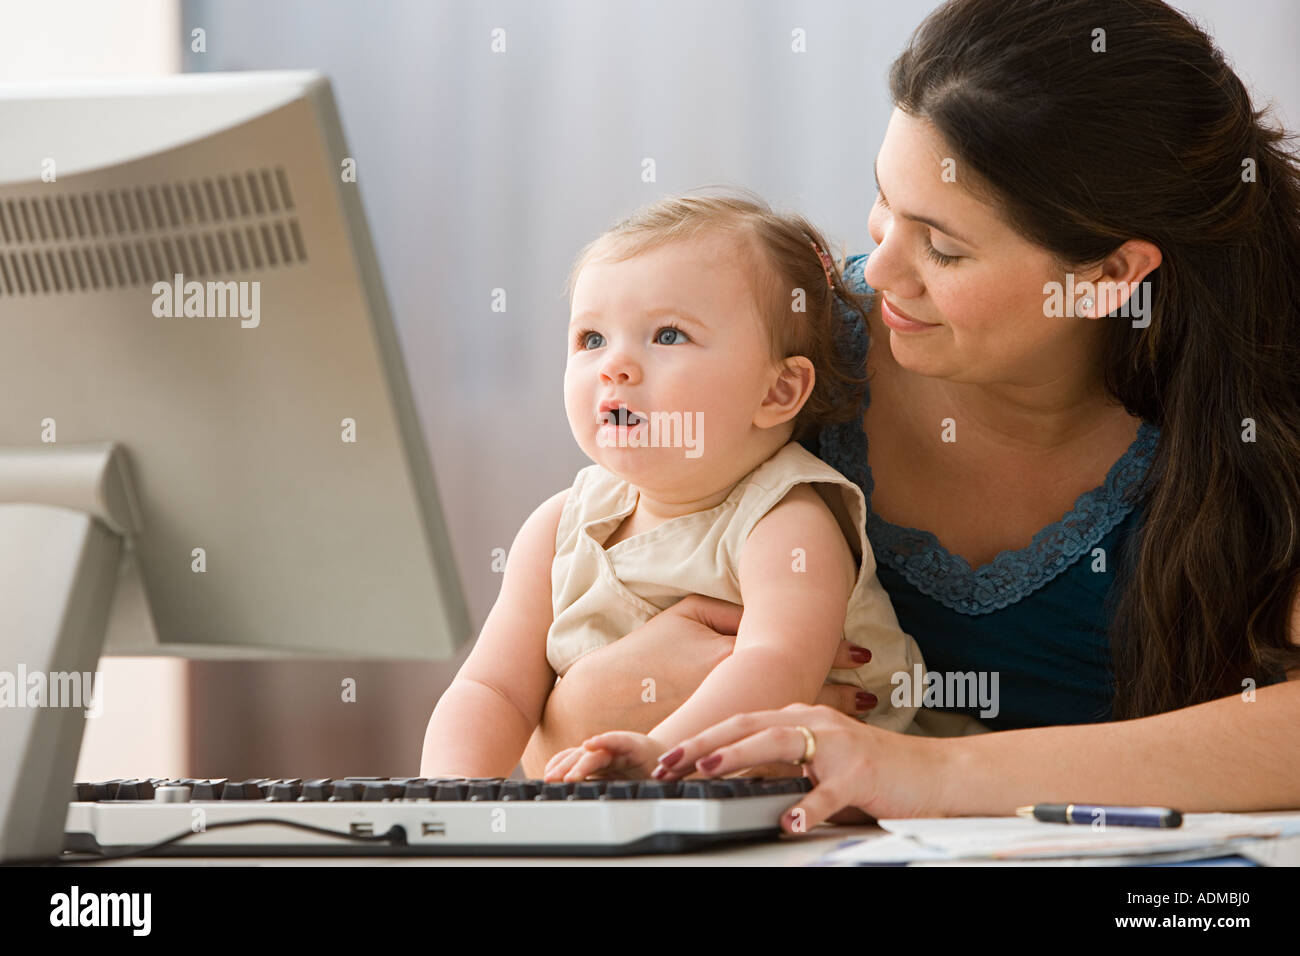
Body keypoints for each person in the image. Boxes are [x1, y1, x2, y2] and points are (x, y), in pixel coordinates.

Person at [524, 0, 1300, 826]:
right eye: (884, 202)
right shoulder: (788, 353)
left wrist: (918, 771)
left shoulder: (1264, 399)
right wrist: (592, 704)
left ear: (1108, 273)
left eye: (943, 247)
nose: (878, 270)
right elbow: (546, 760)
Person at [420, 191, 931, 779]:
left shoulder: (785, 519)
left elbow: (775, 668)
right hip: (645, 810)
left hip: (826, 815)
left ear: (778, 392)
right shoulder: (557, 529)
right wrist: (448, 797)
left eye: (667, 335)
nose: (615, 365)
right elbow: (491, 689)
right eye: (591, 339)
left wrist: (659, 754)